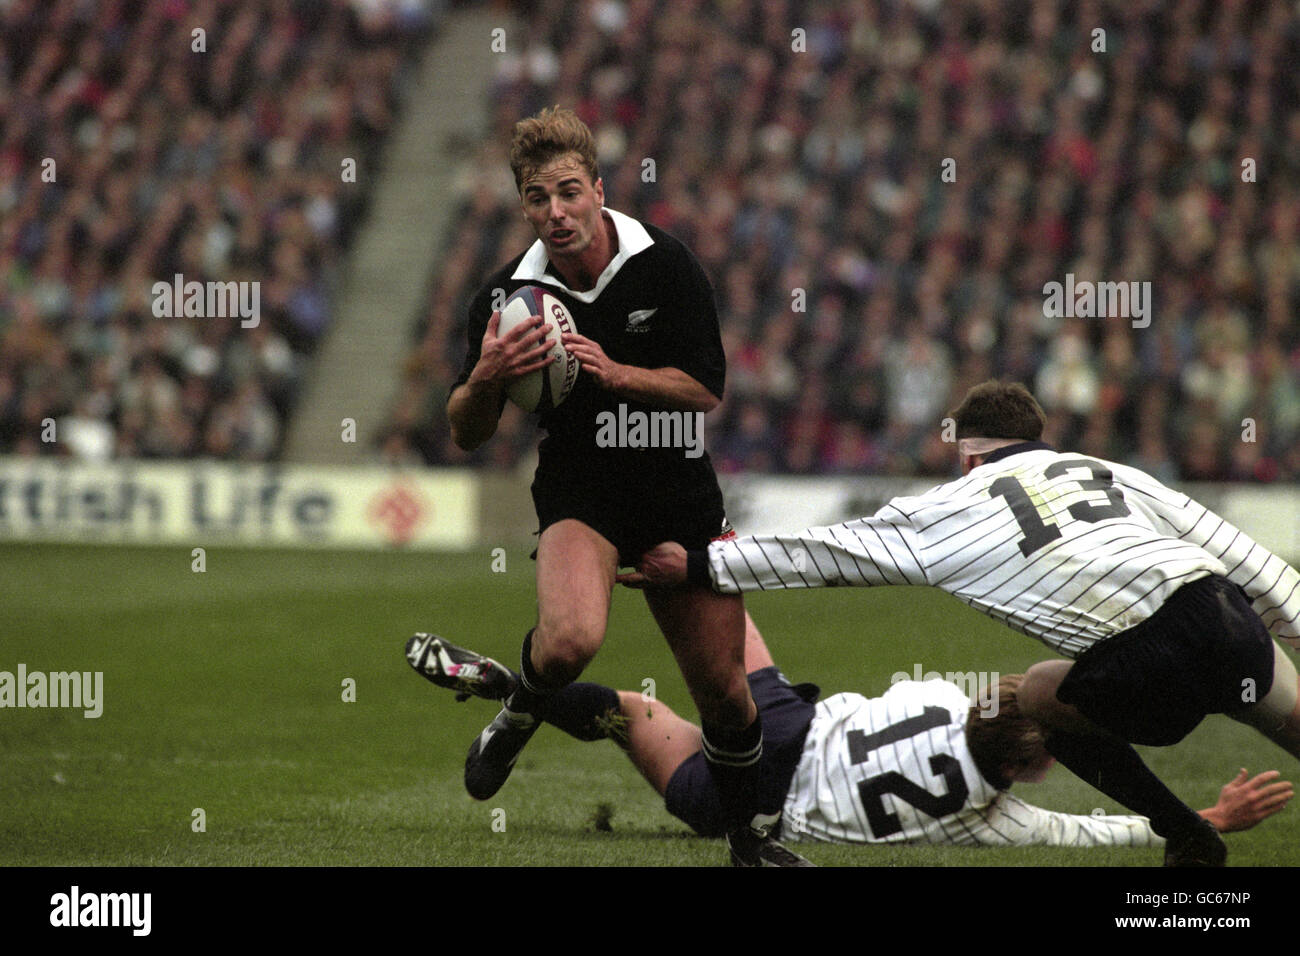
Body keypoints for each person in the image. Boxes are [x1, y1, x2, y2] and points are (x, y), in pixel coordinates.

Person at [619, 380, 1300, 866]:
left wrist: (701, 567)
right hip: (1223, 613)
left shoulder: (956, 503)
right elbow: (1242, 556)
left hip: (1144, 662)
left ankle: (1182, 832)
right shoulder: (1110, 471)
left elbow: (829, 553)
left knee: (1039, 694)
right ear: (1036, 438)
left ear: (969, 455)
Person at [444, 106, 804, 865]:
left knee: (725, 695)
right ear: (524, 206)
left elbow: (706, 389)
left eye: (569, 192)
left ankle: (747, 845)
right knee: (571, 640)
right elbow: (465, 429)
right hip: (584, 488)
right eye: (538, 200)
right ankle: (517, 714)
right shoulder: (506, 300)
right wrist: (485, 377)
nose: (557, 213)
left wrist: (615, 372)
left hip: (678, 493)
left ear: (599, 189)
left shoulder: (665, 265)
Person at [405, 628, 1292, 851]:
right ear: (1027, 766)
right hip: (750, 802)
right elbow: (1101, 831)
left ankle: (524, 689)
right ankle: (519, 692)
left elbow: (1020, 691)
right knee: (629, 723)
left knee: (712, 590)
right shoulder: (993, 820)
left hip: (788, 718)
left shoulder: (952, 694)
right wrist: (1201, 819)